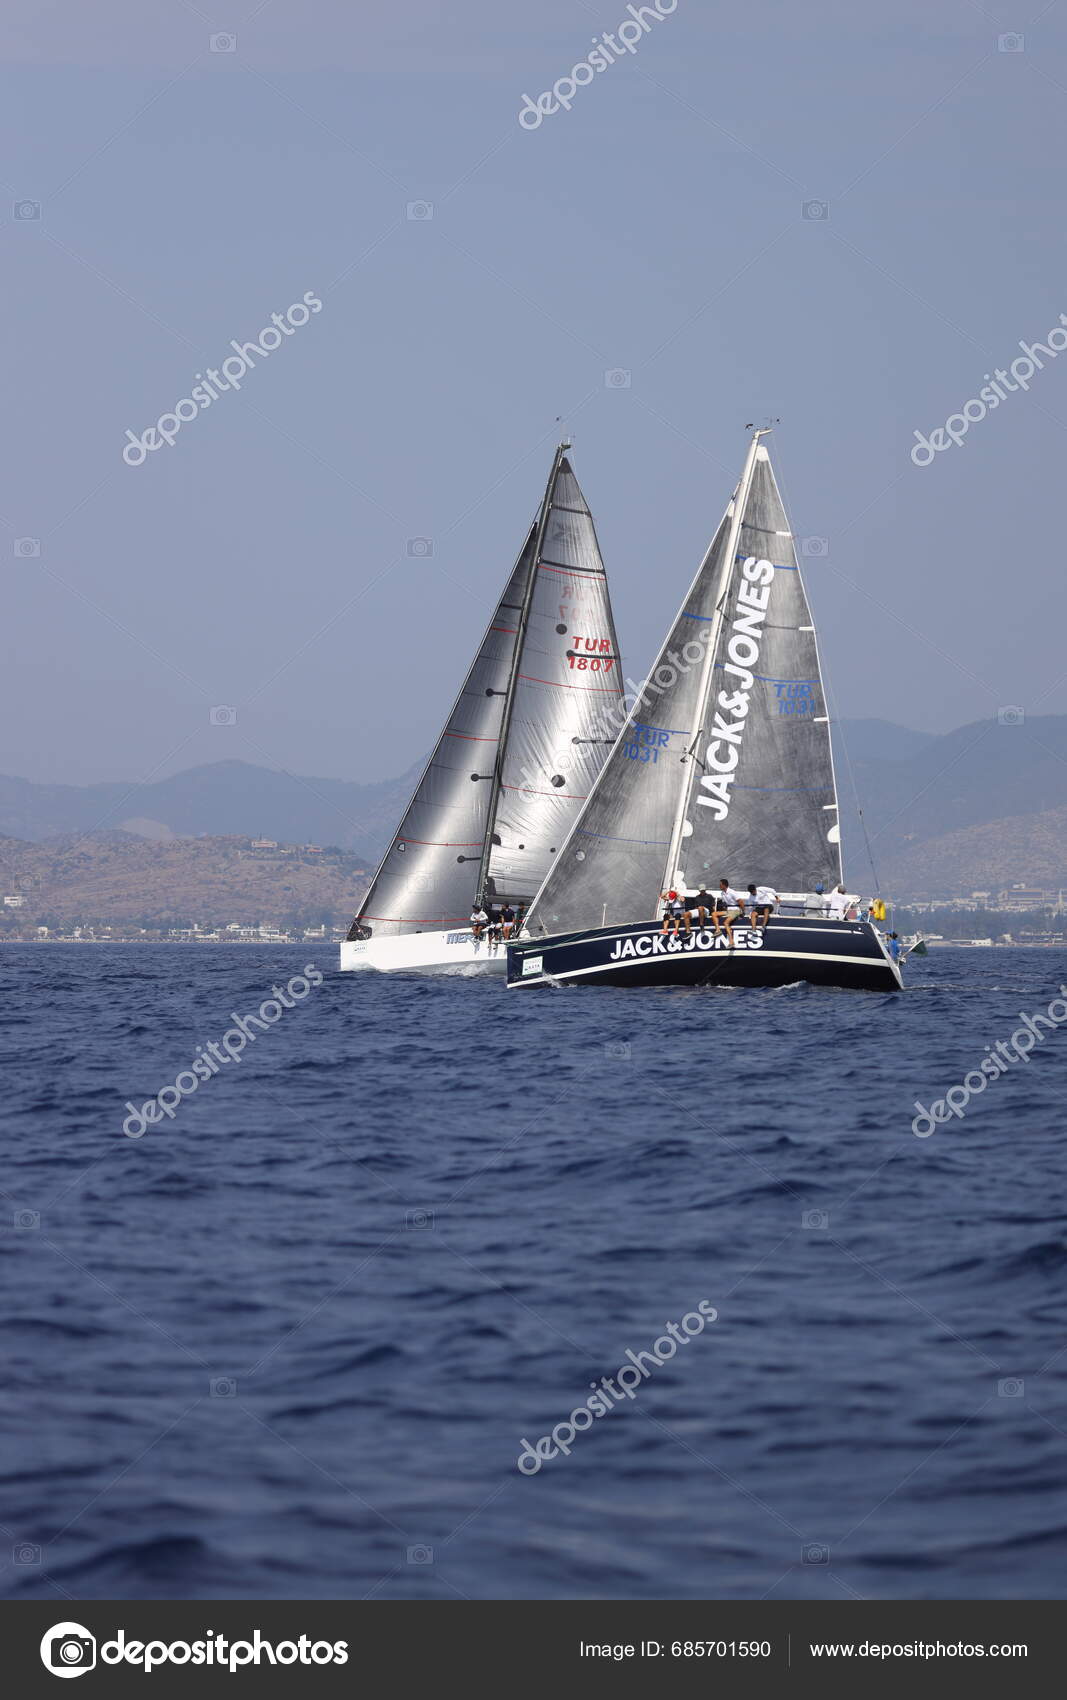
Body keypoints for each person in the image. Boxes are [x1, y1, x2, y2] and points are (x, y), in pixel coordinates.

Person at [711, 877, 745, 943]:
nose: (719, 886)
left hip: (736, 911)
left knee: (726, 923)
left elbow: (741, 902)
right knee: (713, 914)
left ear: (724, 885)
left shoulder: (732, 892)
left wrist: (742, 912)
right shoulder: (722, 893)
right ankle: (718, 930)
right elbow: (725, 903)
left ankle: (731, 942)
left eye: (720, 885)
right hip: (729, 911)